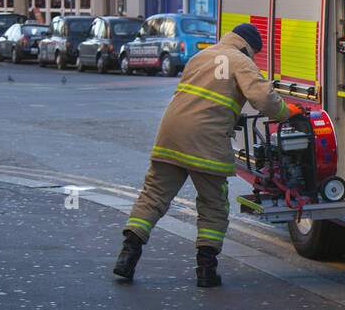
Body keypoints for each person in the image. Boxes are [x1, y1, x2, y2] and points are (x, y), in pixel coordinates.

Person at [112, 23, 305, 287]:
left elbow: (202, 98)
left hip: (170, 134)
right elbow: (264, 98)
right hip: (206, 142)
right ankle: (206, 270)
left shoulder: (200, 56)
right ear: (248, 47)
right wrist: (288, 112)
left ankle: (127, 255)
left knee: (154, 195)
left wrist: (230, 116)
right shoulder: (240, 60)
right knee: (213, 204)